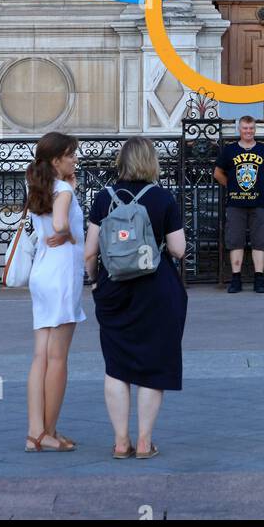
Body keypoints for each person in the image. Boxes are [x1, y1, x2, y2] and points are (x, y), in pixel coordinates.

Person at [85, 137, 187, 459]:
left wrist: (95, 281)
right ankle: (144, 442)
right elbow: (178, 250)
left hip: (115, 291)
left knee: (116, 367)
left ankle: (119, 442)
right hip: (156, 291)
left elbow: (89, 252)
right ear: (151, 162)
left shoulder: (103, 198)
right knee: (153, 365)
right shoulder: (163, 199)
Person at [24, 131, 86, 453]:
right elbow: (61, 226)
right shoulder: (62, 190)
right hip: (61, 276)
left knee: (40, 356)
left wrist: (69, 189)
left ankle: (37, 431)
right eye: (71, 154)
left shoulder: (40, 187)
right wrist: (71, 237)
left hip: (41, 275)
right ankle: (47, 432)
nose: (75, 158)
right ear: (56, 159)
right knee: (58, 358)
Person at [213, 115, 264, 293]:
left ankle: (259, 279)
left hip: (259, 202)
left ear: (254, 129)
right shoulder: (230, 150)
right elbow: (217, 173)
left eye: (251, 128)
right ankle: (236, 279)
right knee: (235, 240)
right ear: (239, 130)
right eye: (245, 128)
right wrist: (231, 184)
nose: (248, 131)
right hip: (235, 202)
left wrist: (263, 184)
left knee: (260, 240)